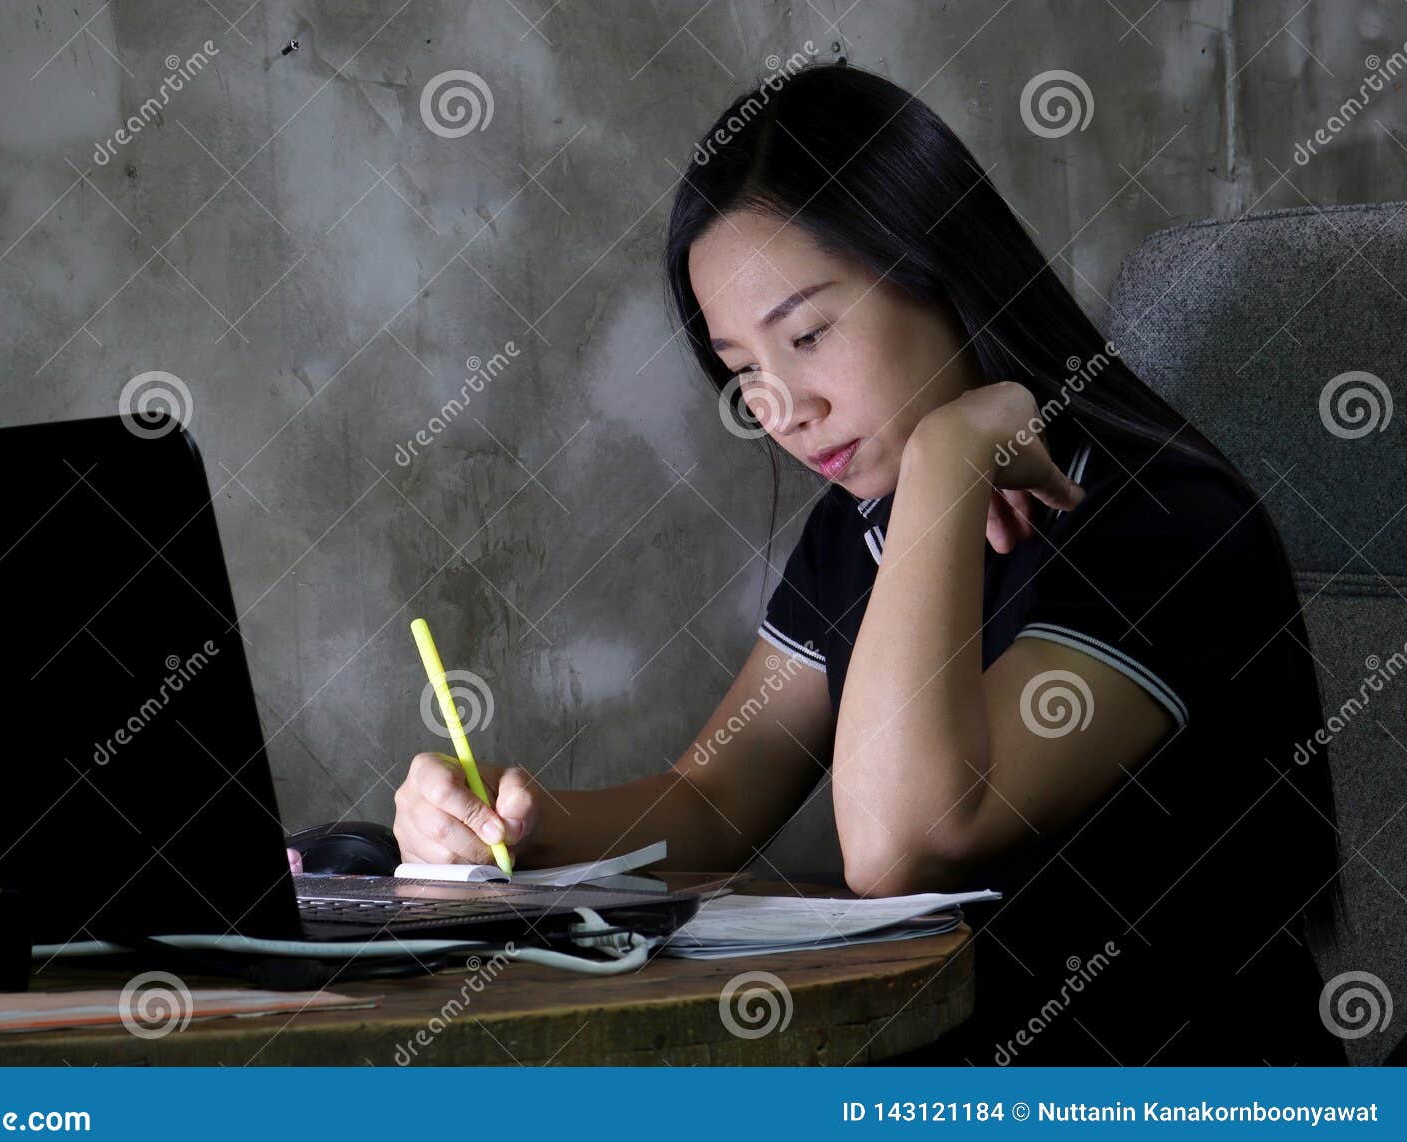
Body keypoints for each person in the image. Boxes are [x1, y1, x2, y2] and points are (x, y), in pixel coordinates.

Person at [390, 64, 1345, 1065]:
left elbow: (904, 838)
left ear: (934, 266)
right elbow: (713, 800)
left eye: (806, 334)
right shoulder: (862, 524)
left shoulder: (1159, 518)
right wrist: (515, 829)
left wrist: (946, 452)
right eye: (743, 369)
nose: (780, 407)